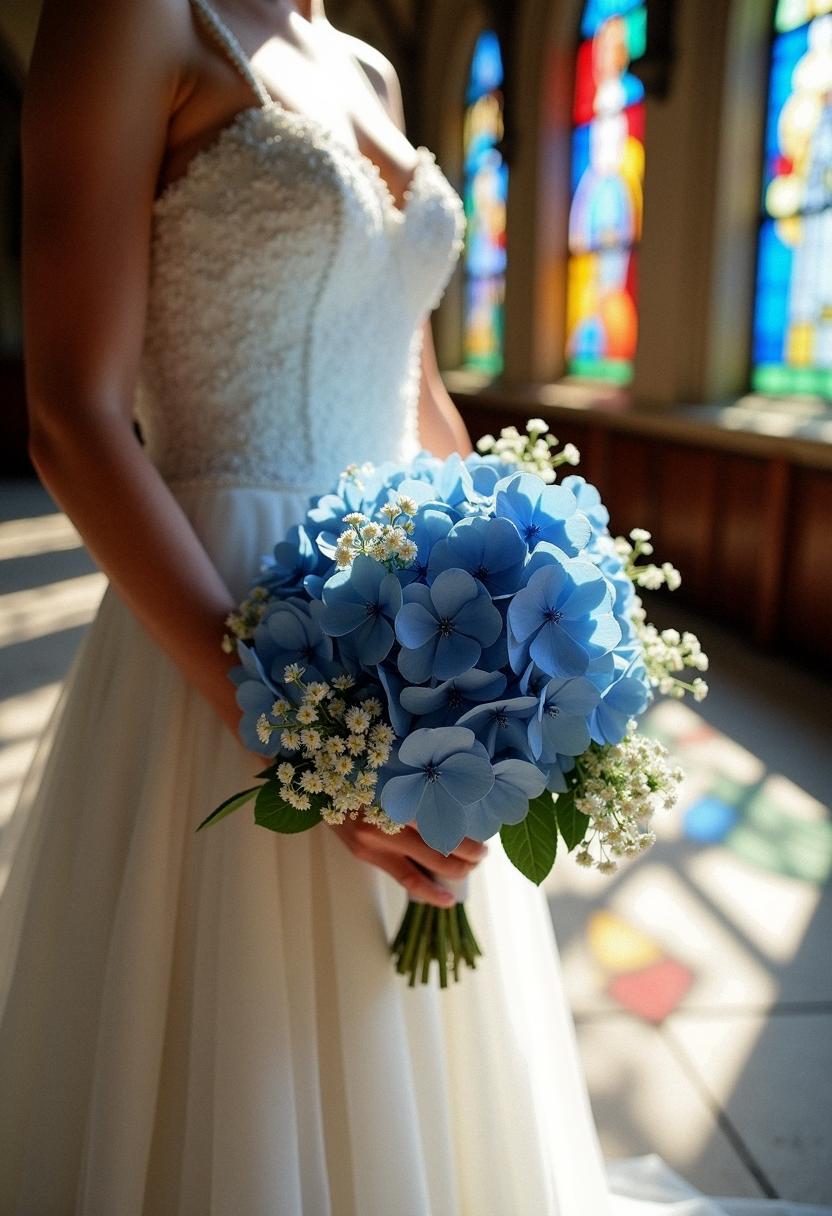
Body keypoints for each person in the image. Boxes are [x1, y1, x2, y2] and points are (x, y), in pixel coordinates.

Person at [1, 2, 829, 1213]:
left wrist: (532, 601)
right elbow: (70, 413)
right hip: (227, 607)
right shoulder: (135, 17)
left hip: (410, 605)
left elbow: (418, 391)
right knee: (234, 1032)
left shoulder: (373, 69)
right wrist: (283, 728)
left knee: (403, 1009)